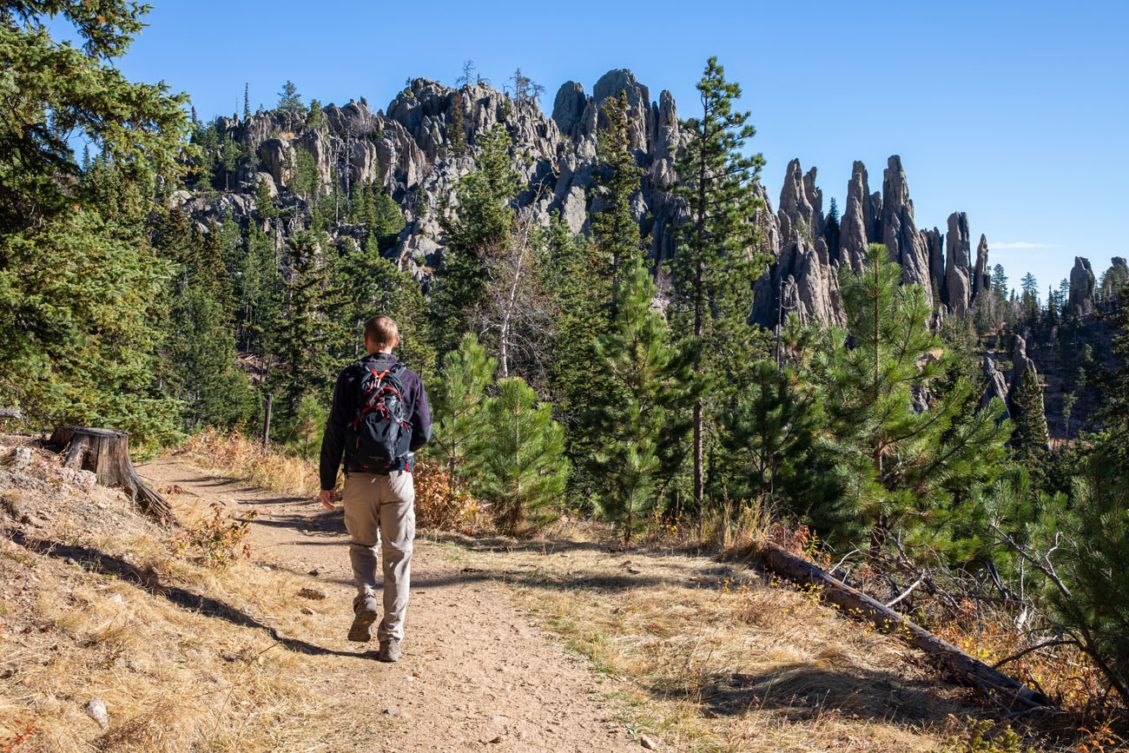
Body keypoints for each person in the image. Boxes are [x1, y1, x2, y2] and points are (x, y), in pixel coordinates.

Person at [319, 315, 431, 662]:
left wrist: (327, 482)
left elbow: (335, 431)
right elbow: (425, 433)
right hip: (397, 478)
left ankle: (366, 596)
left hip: (357, 478)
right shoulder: (410, 379)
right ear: (394, 341)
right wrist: (398, 450)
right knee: (397, 558)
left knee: (363, 545)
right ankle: (391, 638)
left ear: (367, 340)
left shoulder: (351, 376)